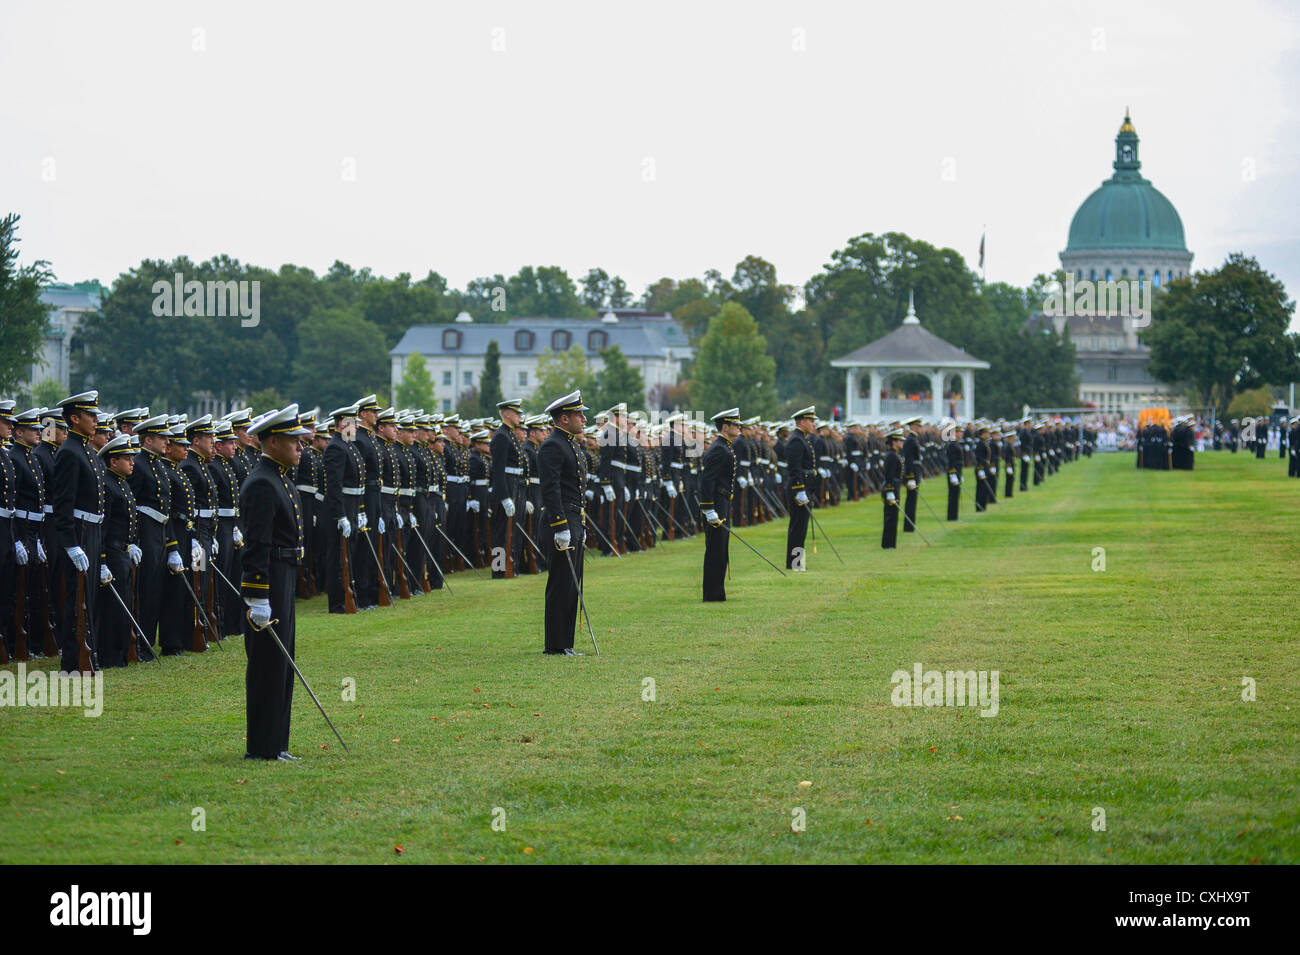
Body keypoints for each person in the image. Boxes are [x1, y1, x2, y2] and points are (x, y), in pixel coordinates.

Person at [240, 405, 310, 761]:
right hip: (269, 580)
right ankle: (262, 747)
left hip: (285, 575)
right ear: (273, 441)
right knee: (269, 664)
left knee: (282, 664)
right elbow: (257, 545)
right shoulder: (262, 483)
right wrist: (257, 596)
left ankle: (277, 743)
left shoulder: (280, 477)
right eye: (294, 441)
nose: (301, 447)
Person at [51, 391, 107, 673]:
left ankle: (88, 657)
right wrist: (71, 544)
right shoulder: (70, 452)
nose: (96, 420)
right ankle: (72, 662)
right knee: (76, 601)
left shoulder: (87, 450)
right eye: (91, 415)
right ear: (74, 419)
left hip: (93, 531)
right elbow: (62, 505)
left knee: (90, 599)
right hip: (80, 532)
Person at [538, 390, 589, 656]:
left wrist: (579, 524)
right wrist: (560, 526)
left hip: (574, 520)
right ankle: (555, 645)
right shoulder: (552, 445)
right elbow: (551, 489)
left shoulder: (571, 444)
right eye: (579, 414)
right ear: (564, 418)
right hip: (562, 521)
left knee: (572, 583)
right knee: (561, 583)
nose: (584, 419)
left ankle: (565, 643)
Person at [96, 434, 144, 666]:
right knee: (113, 607)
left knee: (124, 602)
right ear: (113, 461)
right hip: (112, 552)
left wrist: (132, 542)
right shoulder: (107, 485)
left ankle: (122, 652)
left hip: (124, 551)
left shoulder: (122, 483)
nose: (132, 462)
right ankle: (110, 655)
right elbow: (104, 527)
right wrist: (102, 560)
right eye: (127, 458)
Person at [699, 409, 740, 599]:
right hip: (716, 504)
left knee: (721, 547)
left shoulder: (726, 446)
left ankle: (717, 591)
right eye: (736, 424)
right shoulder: (718, 449)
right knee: (716, 548)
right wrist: (708, 508)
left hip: (722, 501)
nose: (739, 428)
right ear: (725, 427)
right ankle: (712, 593)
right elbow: (707, 480)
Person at [490, 399, 527, 578]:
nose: (520, 416)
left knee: (513, 530)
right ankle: (498, 570)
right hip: (505, 485)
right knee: (500, 532)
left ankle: (512, 566)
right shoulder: (501, 436)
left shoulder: (510, 435)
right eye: (516, 413)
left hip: (514, 484)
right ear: (506, 414)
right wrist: (504, 497)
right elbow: (497, 471)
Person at [784, 407, 816, 570]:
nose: (813, 424)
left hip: (805, 487)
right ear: (802, 422)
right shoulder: (796, 440)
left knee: (801, 526)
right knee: (798, 526)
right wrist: (799, 489)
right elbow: (794, 468)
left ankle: (796, 562)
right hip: (800, 488)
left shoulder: (803, 438)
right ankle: (795, 563)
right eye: (811, 421)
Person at [881, 428, 904, 549]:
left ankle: (891, 543)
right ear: (894, 442)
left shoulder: (894, 454)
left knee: (893, 516)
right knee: (890, 516)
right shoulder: (891, 456)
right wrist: (889, 491)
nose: (902, 442)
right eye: (899, 440)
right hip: (891, 487)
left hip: (895, 487)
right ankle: (887, 543)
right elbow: (888, 475)